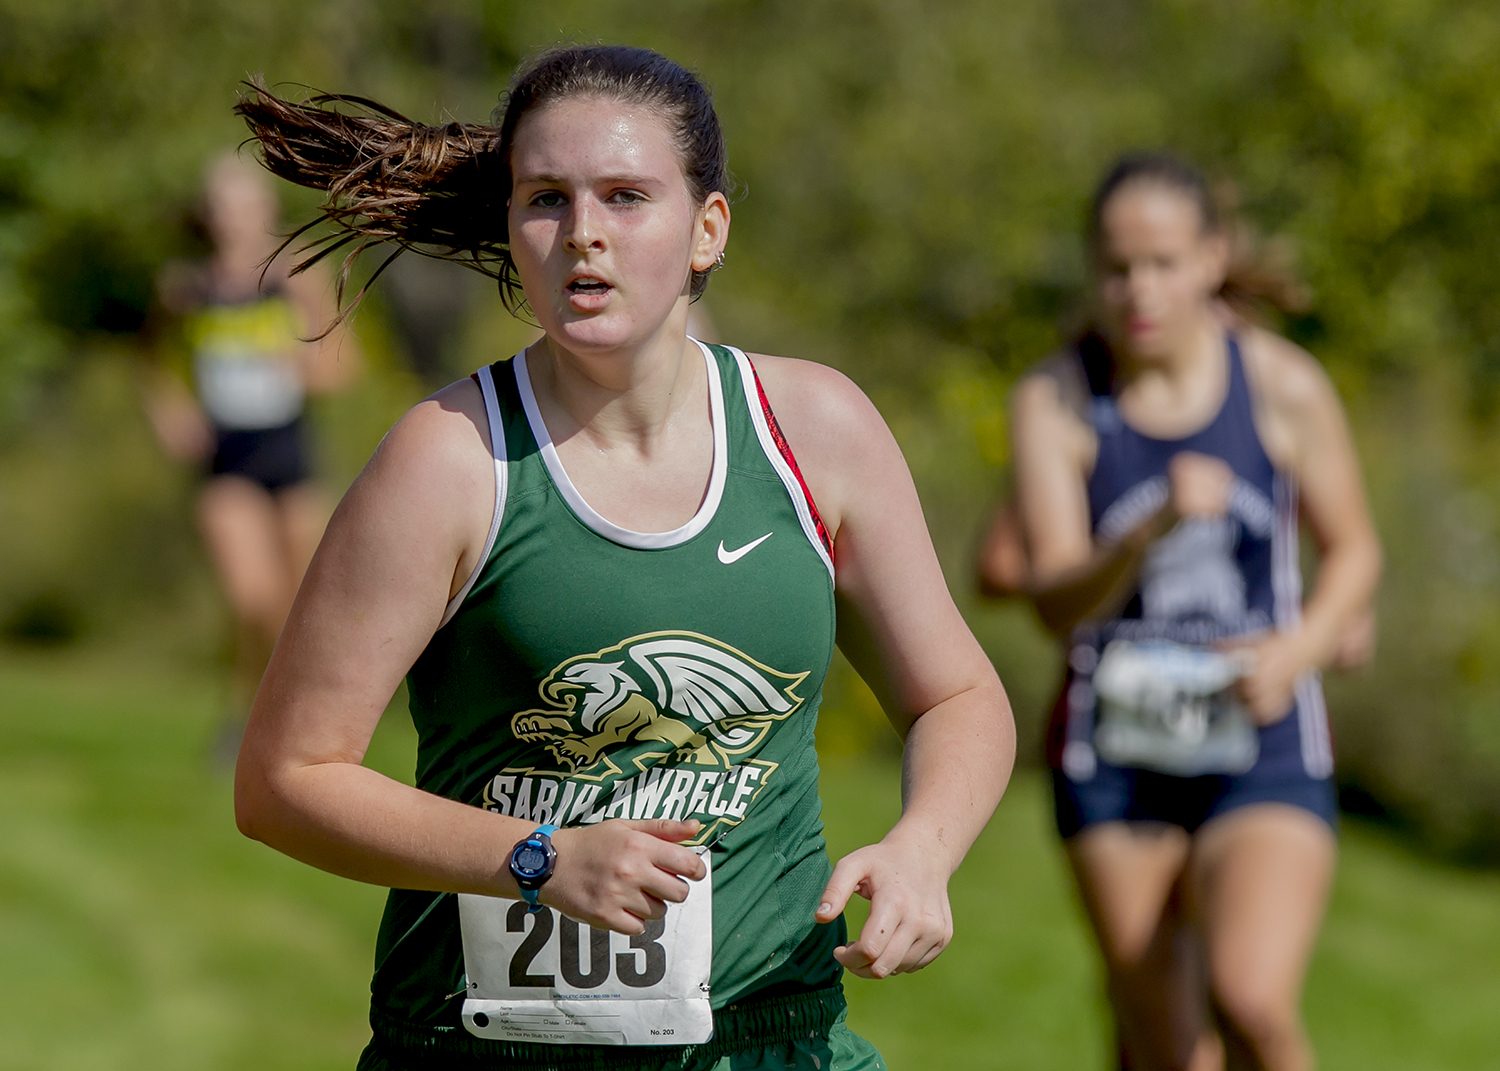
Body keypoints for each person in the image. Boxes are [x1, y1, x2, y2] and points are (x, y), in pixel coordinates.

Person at [232, 45, 1015, 1071]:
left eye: (627, 197)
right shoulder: (451, 460)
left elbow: (957, 694)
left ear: (708, 229)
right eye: (546, 199)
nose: (584, 235)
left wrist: (925, 850)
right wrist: (534, 859)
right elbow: (285, 780)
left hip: (771, 1041)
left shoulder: (815, 431)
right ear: (512, 228)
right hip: (493, 1048)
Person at [984, 154, 1381, 1071]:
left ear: (1212, 257)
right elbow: (1051, 604)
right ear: (1094, 271)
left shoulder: (1281, 384)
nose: (1139, 290)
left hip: (1262, 742)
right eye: (1118, 267)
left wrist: (1301, 648)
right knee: (1161, 1045)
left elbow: (1356, 550)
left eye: (1163, 263)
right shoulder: (1056, 401)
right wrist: (1144, 529)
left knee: (1251, 997)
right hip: (1116, 751)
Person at [145, 155, 360, 758]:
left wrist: (300, 365)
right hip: (226, 461)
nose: (234, 219)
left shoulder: (294, 280)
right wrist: (170, 414)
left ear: (265, 211)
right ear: (206, 217)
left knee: (295, 611)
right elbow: (152, 363)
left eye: (245, 206)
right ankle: (250, 719)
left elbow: (346, 364)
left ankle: (266, 722)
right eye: (222, 207)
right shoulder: (186, 289)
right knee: (252, 599)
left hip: (291, 455)